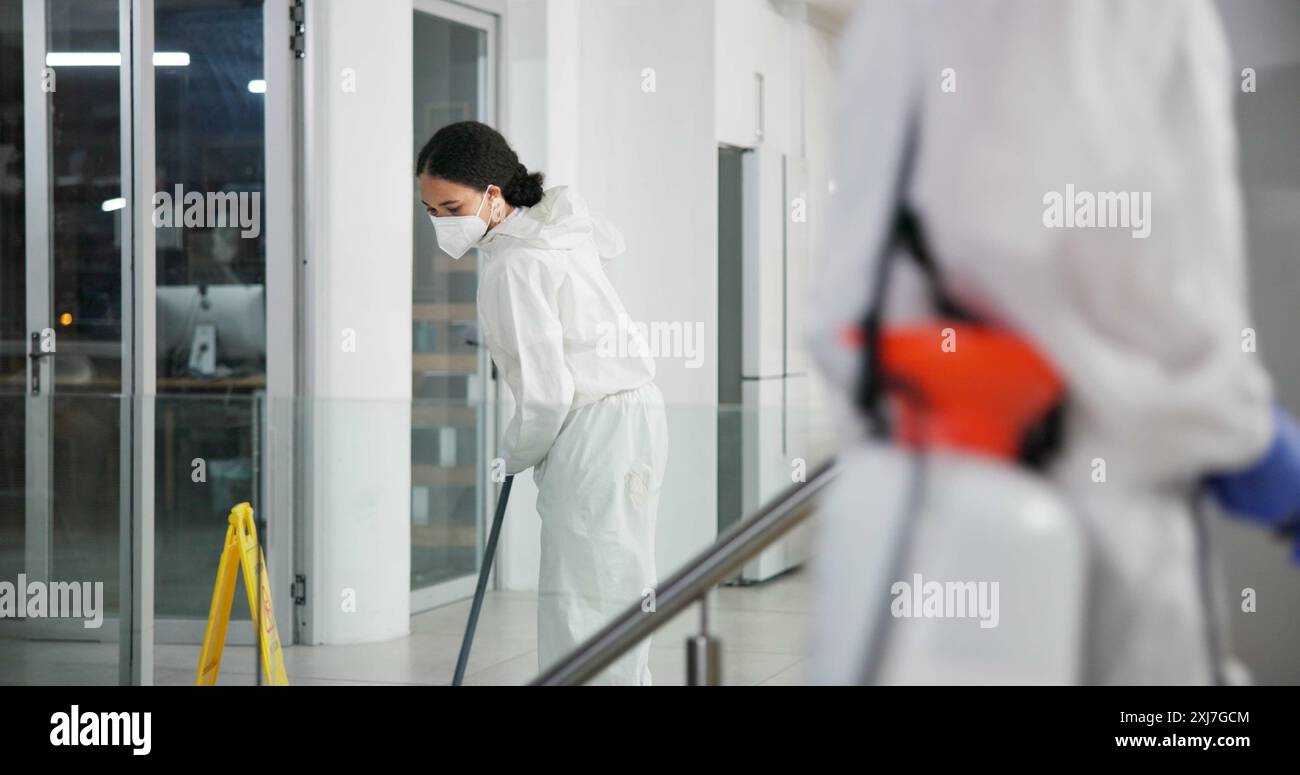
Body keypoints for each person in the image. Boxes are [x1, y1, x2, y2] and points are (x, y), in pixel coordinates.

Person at [806, 0, 1276, 684]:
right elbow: (1161, 292)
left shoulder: (894, 20)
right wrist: (1241, 431)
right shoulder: (1127, 19)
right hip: (1098, 545)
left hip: (908, 524)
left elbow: (844, 308)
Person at [416, 121, 667, 685]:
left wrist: (515, 451)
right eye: (430, 211)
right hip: (633, 418)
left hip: (593, 430)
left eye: (450, 207)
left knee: (583, 601)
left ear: (493, 196)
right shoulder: (553, 231)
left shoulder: (514, 266)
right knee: (616, 587)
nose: (441, 223)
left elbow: (545, 393)